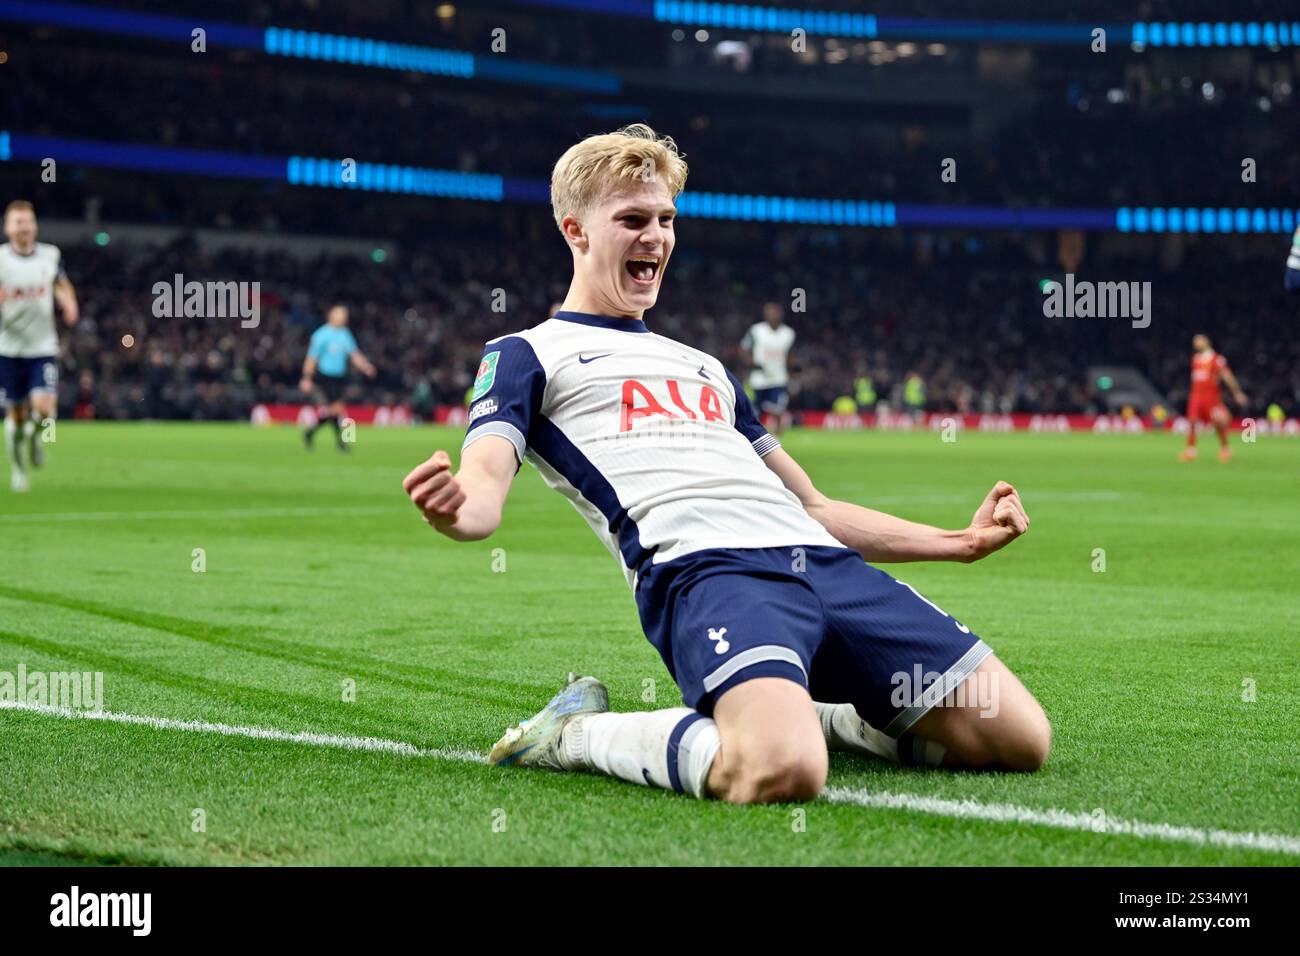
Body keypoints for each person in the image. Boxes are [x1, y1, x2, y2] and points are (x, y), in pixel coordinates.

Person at [402, 125, 1049, 805]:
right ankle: (575, 734)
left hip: (822, 565)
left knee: (1017, 739)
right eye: (631, 220)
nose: (655, 237)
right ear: (577, 231)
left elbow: (816, 509)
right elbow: (481, 490)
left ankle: (820, 717)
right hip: (710, 572)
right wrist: (455, 508)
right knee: (780, 771)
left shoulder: (704, 366)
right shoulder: (525, 353)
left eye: (665, 220)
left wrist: (961, 543)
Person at [0, 200, 79, 492]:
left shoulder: (50, 255)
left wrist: (68, 302)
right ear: (8, 228)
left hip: (43, 347)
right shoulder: (1, 260)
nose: (24, 227)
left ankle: (37, 439)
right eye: (18, 222)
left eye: (28, 221)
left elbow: (61, 283)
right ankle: (19, 467)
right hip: (8, 350)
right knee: (17, 419)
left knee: (45, 410)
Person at [300, 304, 376, 452]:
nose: (344, 319)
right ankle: (341, 442)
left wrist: (365, 366)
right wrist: (307, 378)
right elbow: (311, 358)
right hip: (326, 375)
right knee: (337, 408)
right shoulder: (321, 335)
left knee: (334, 411)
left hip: (340, 376)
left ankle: (311, 433)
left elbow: (354, 354)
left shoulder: (345, 334)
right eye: (341, 316)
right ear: (332, 317)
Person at [1179, 333, 1247, 463]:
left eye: (1199, 341)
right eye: (1195, 341)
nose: (1196, 343)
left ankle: (1225, 448)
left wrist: (1237, 392)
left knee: (1217, 424)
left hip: (1211, 398)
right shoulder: (1195, 359)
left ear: (1206, 342)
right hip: (1196, 396)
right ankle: (1190, 451)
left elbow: (1226, 376)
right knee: (1192, 421)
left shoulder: (1217, 359)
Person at [740, 302, 795, 434]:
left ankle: (777, 441)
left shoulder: (788, 333)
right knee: (754, 412)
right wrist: (751, 362)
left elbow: (790, 354)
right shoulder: (756, 330)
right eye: (769, 312)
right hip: (759, 379)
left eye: (774, 312)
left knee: (778, 411)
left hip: (778, 378)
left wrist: (791, 372)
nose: (772, 315)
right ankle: (753, 439)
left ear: (780, 314)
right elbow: (743, 348)